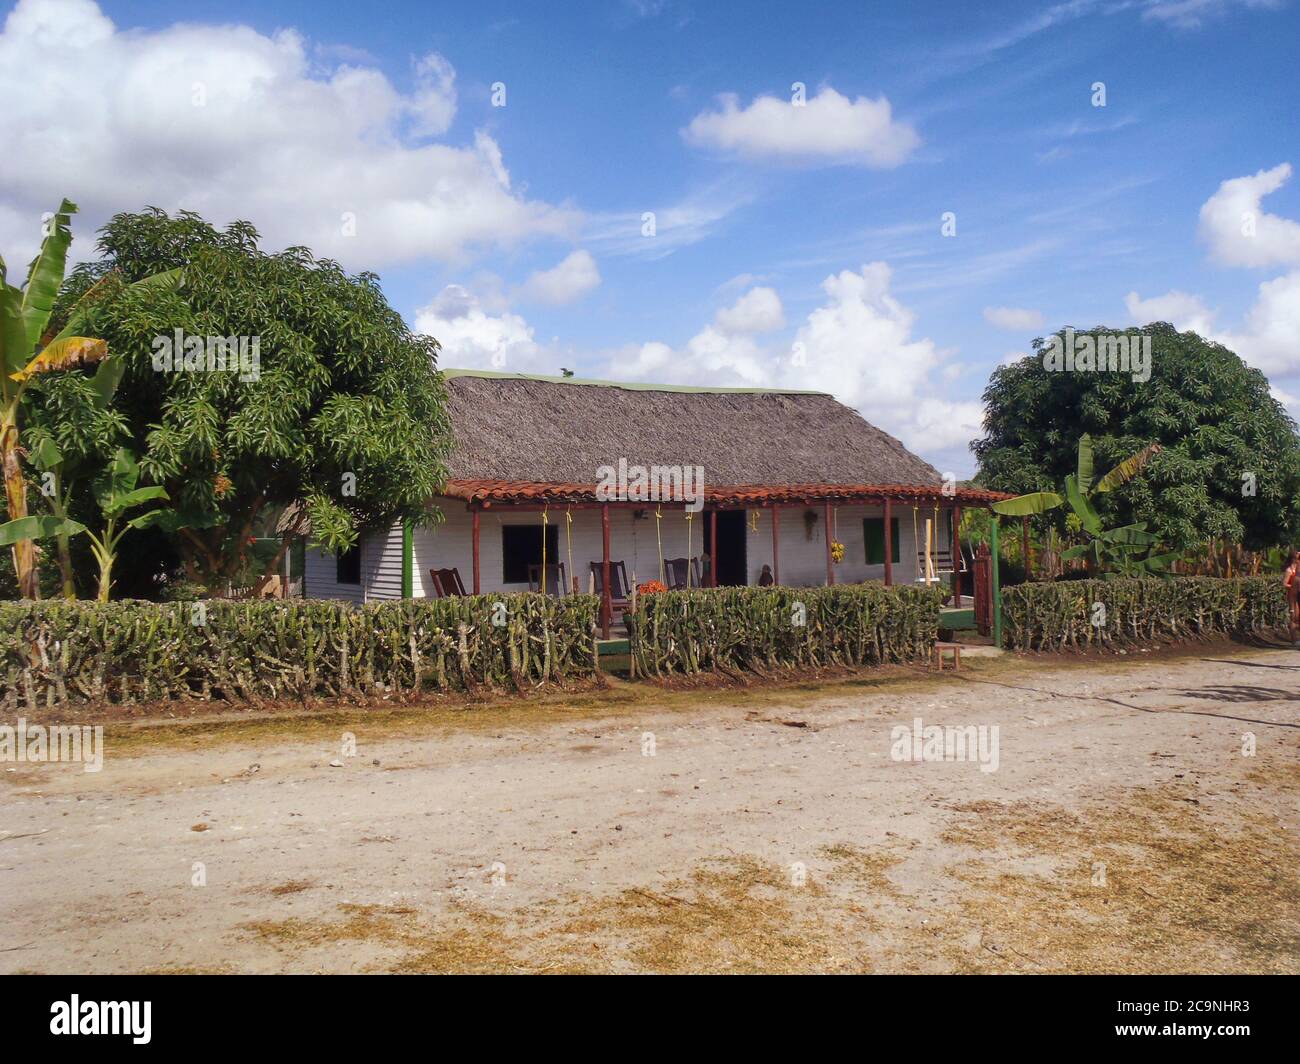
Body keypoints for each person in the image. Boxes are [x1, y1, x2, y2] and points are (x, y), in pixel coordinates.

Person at [1285, 549, 1300, 646]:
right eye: (1297, 557)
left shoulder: (1298, 570)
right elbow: (1285, 583)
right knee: (1294, 617)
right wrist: (1293, 586)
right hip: (1292, 595)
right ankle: (1294, 640)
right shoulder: (1289, 570)